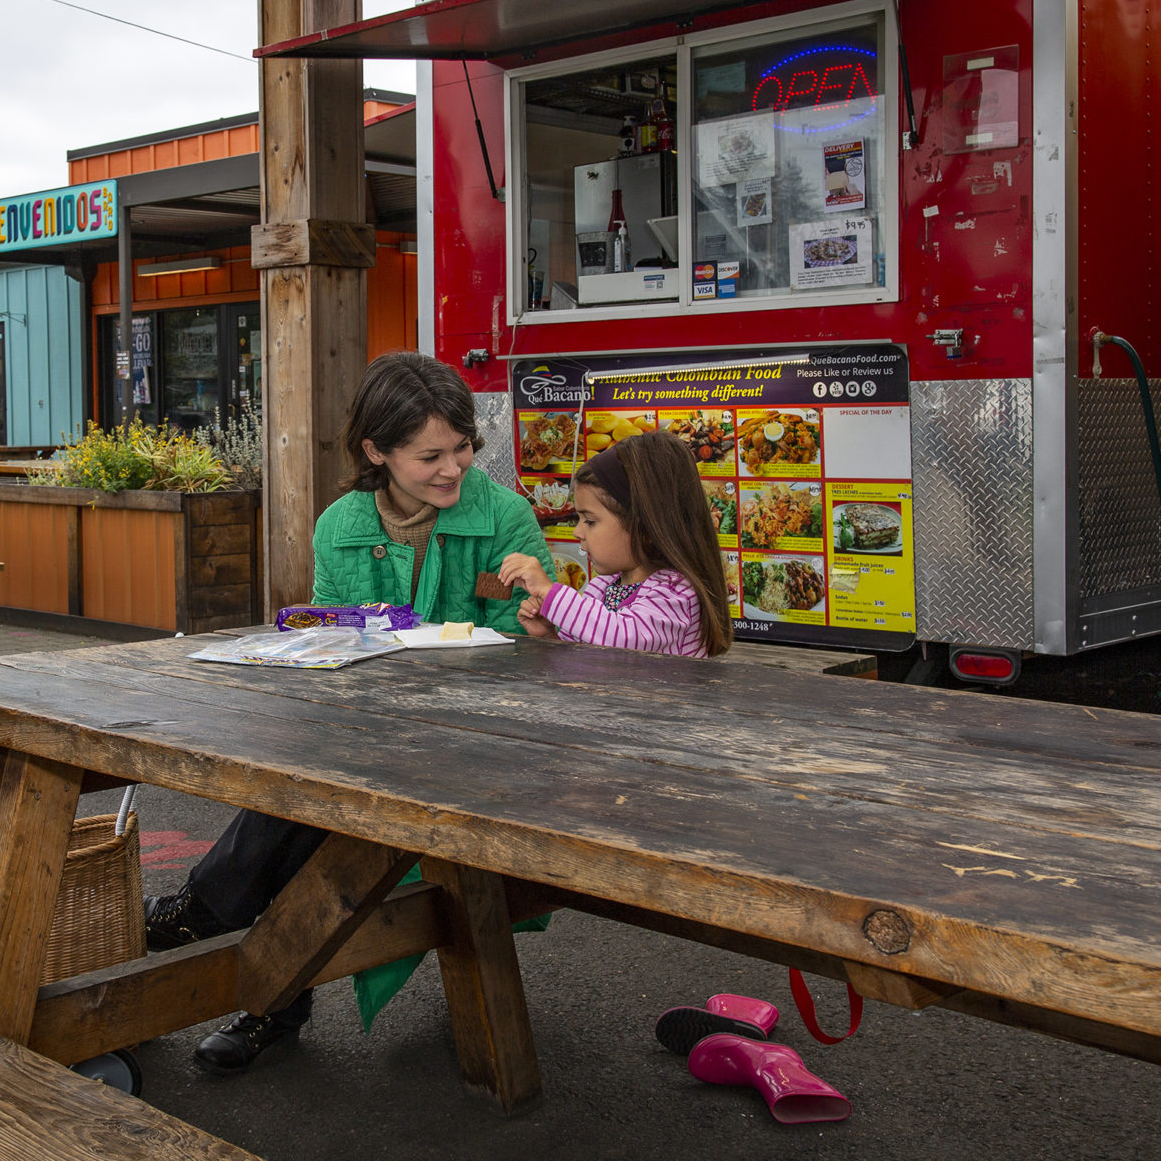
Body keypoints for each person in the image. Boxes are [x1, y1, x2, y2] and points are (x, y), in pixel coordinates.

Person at [144, 351, 554, 1071]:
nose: (455, 468)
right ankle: (262, 986)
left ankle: (217, 924)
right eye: (431, 455)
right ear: (376, 451)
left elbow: (525, 657)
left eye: (464, 448)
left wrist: (534, 624)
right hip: (366, 733)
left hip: (474, 746)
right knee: (307, 799)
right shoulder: (340, 525)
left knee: (307, 807)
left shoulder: (507, 517)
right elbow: (334, 640)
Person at [500, 431, 733, 659]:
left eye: (590, 521)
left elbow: (625, 642)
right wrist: (551, 637)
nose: (577, 531)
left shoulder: (675, 593)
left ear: (645, 527)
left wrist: (549, 591)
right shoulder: (602, 587)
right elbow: (587, 659)